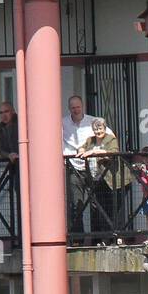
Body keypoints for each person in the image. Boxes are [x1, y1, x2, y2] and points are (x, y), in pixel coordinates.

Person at [62, 95, 95, 234]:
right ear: (69, 108)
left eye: (78, 107)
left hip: (92, 167)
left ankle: (98, 237)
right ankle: (78, 238)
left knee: (96, 203)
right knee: (77, 204)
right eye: (73, 108)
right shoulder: (62, 123)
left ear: (82, 107)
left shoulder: (92, 121)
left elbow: (105, 138)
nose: (76, 110)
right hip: (73, 167)